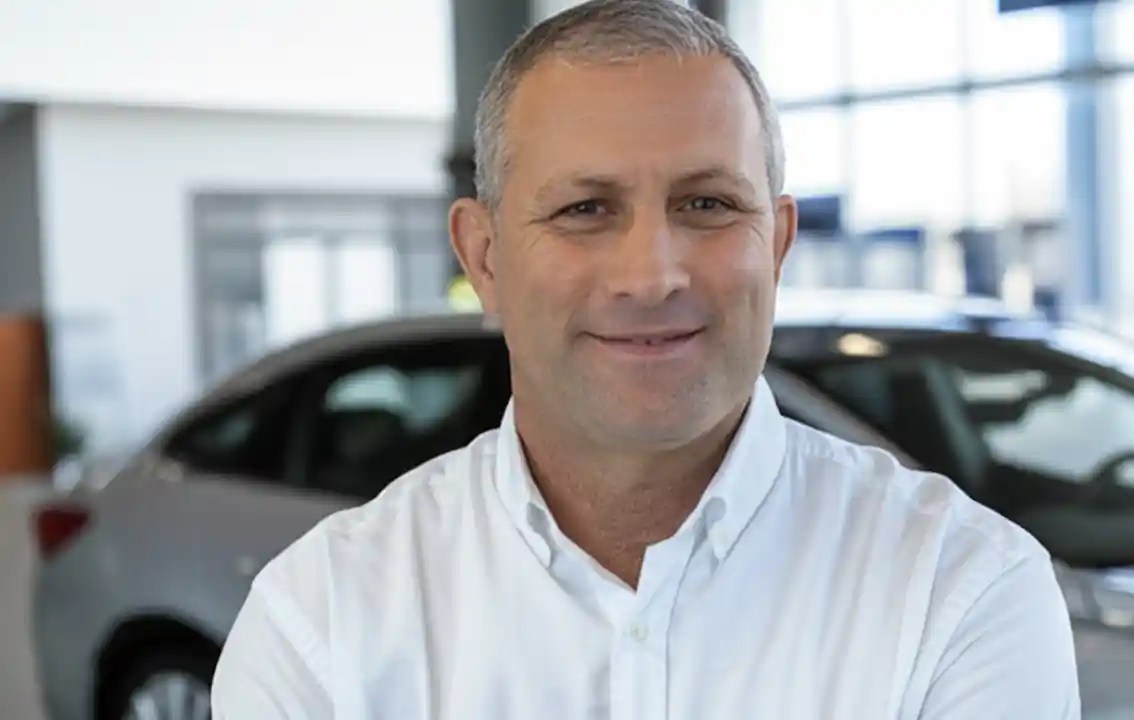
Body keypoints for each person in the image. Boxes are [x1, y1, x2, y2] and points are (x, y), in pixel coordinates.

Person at [211, 1, 1080, 717]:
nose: (653, 274)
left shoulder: (958, 590)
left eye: (706, 202)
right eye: (586, 210)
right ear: (483, 259)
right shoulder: (321, 622)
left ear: (774, 245)